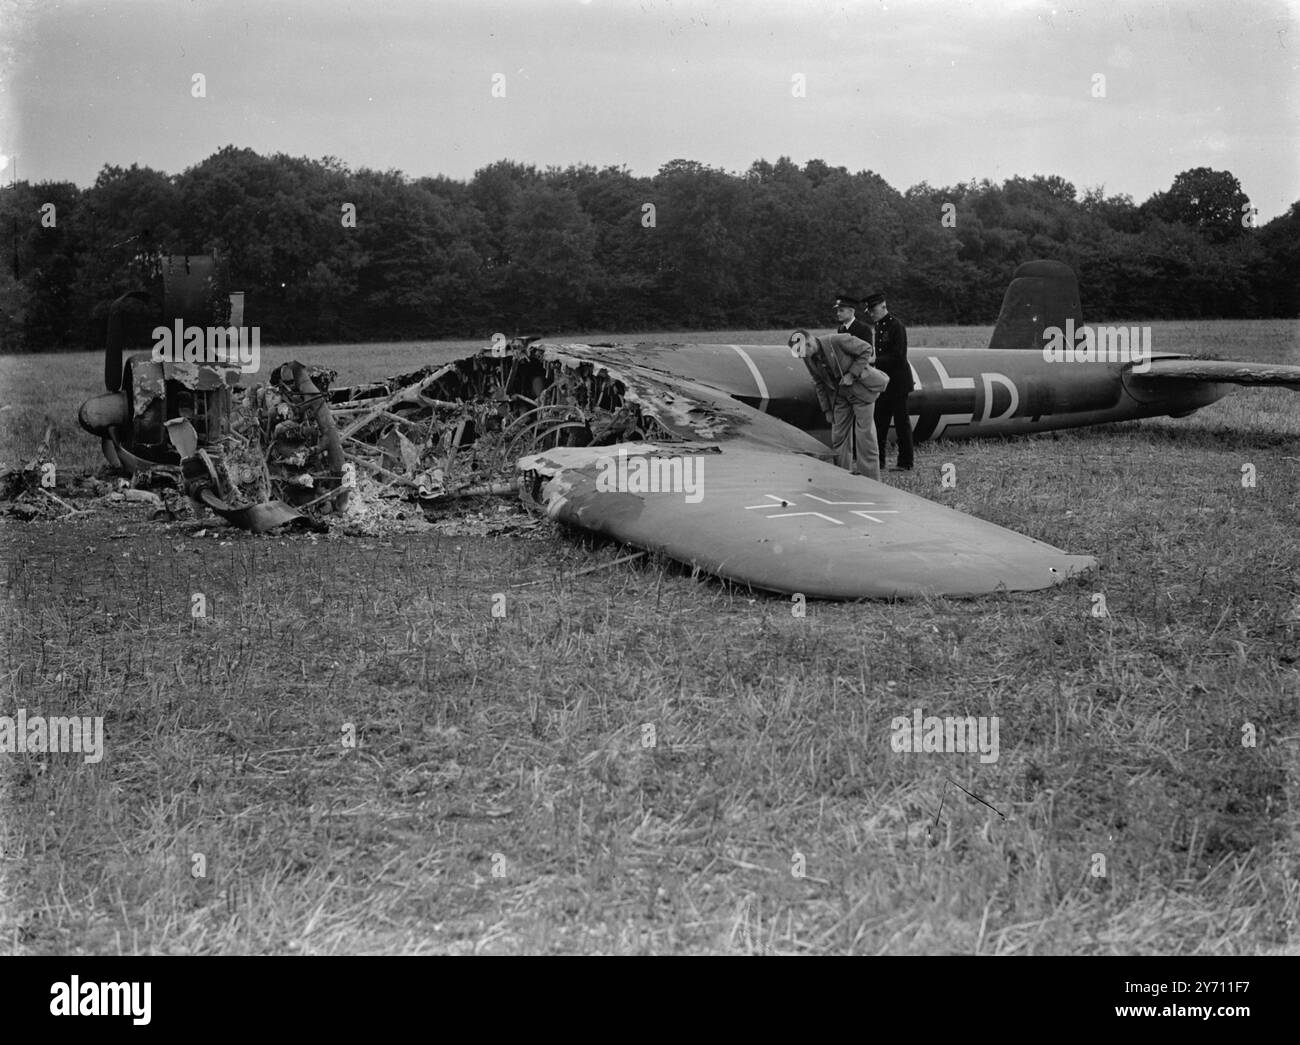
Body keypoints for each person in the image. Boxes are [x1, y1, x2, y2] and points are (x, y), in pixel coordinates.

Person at [791, 326, 889, 481]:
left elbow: (866, 349)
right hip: (839, 397)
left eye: (803, 352)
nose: (803, 357)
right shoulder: (807, 357)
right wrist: (827, 410)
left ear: (809, 343)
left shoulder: (837, 340)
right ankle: (842, 478)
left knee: (865, 436)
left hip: (861, 392)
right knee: (838, 437)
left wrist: (852, 374)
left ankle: (871, 480)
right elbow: (818, 383)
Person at [864, 292, 914, 471]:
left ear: (883, 307)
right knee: (880, 422)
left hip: (898, 382)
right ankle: (880, 461)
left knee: (902, 423)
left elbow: (899, 356)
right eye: (869, 310)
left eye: (873, 309)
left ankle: (906, 462)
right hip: (884, 382)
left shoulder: (896, 326)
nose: (871, 313)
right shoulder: (879, 326)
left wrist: (875, 361)